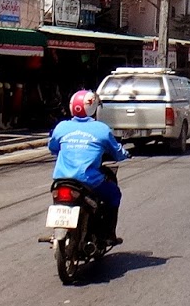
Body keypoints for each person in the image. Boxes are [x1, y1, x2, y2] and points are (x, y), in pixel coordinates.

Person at [48, 89, 129, 246]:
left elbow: (52, 148)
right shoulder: (102, 129)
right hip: (89, 180)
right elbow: (117, 152)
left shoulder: (61, 127)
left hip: (61, 179)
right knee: (114, 195)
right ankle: (108, 234)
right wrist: (125, 154)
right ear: (94, 109)